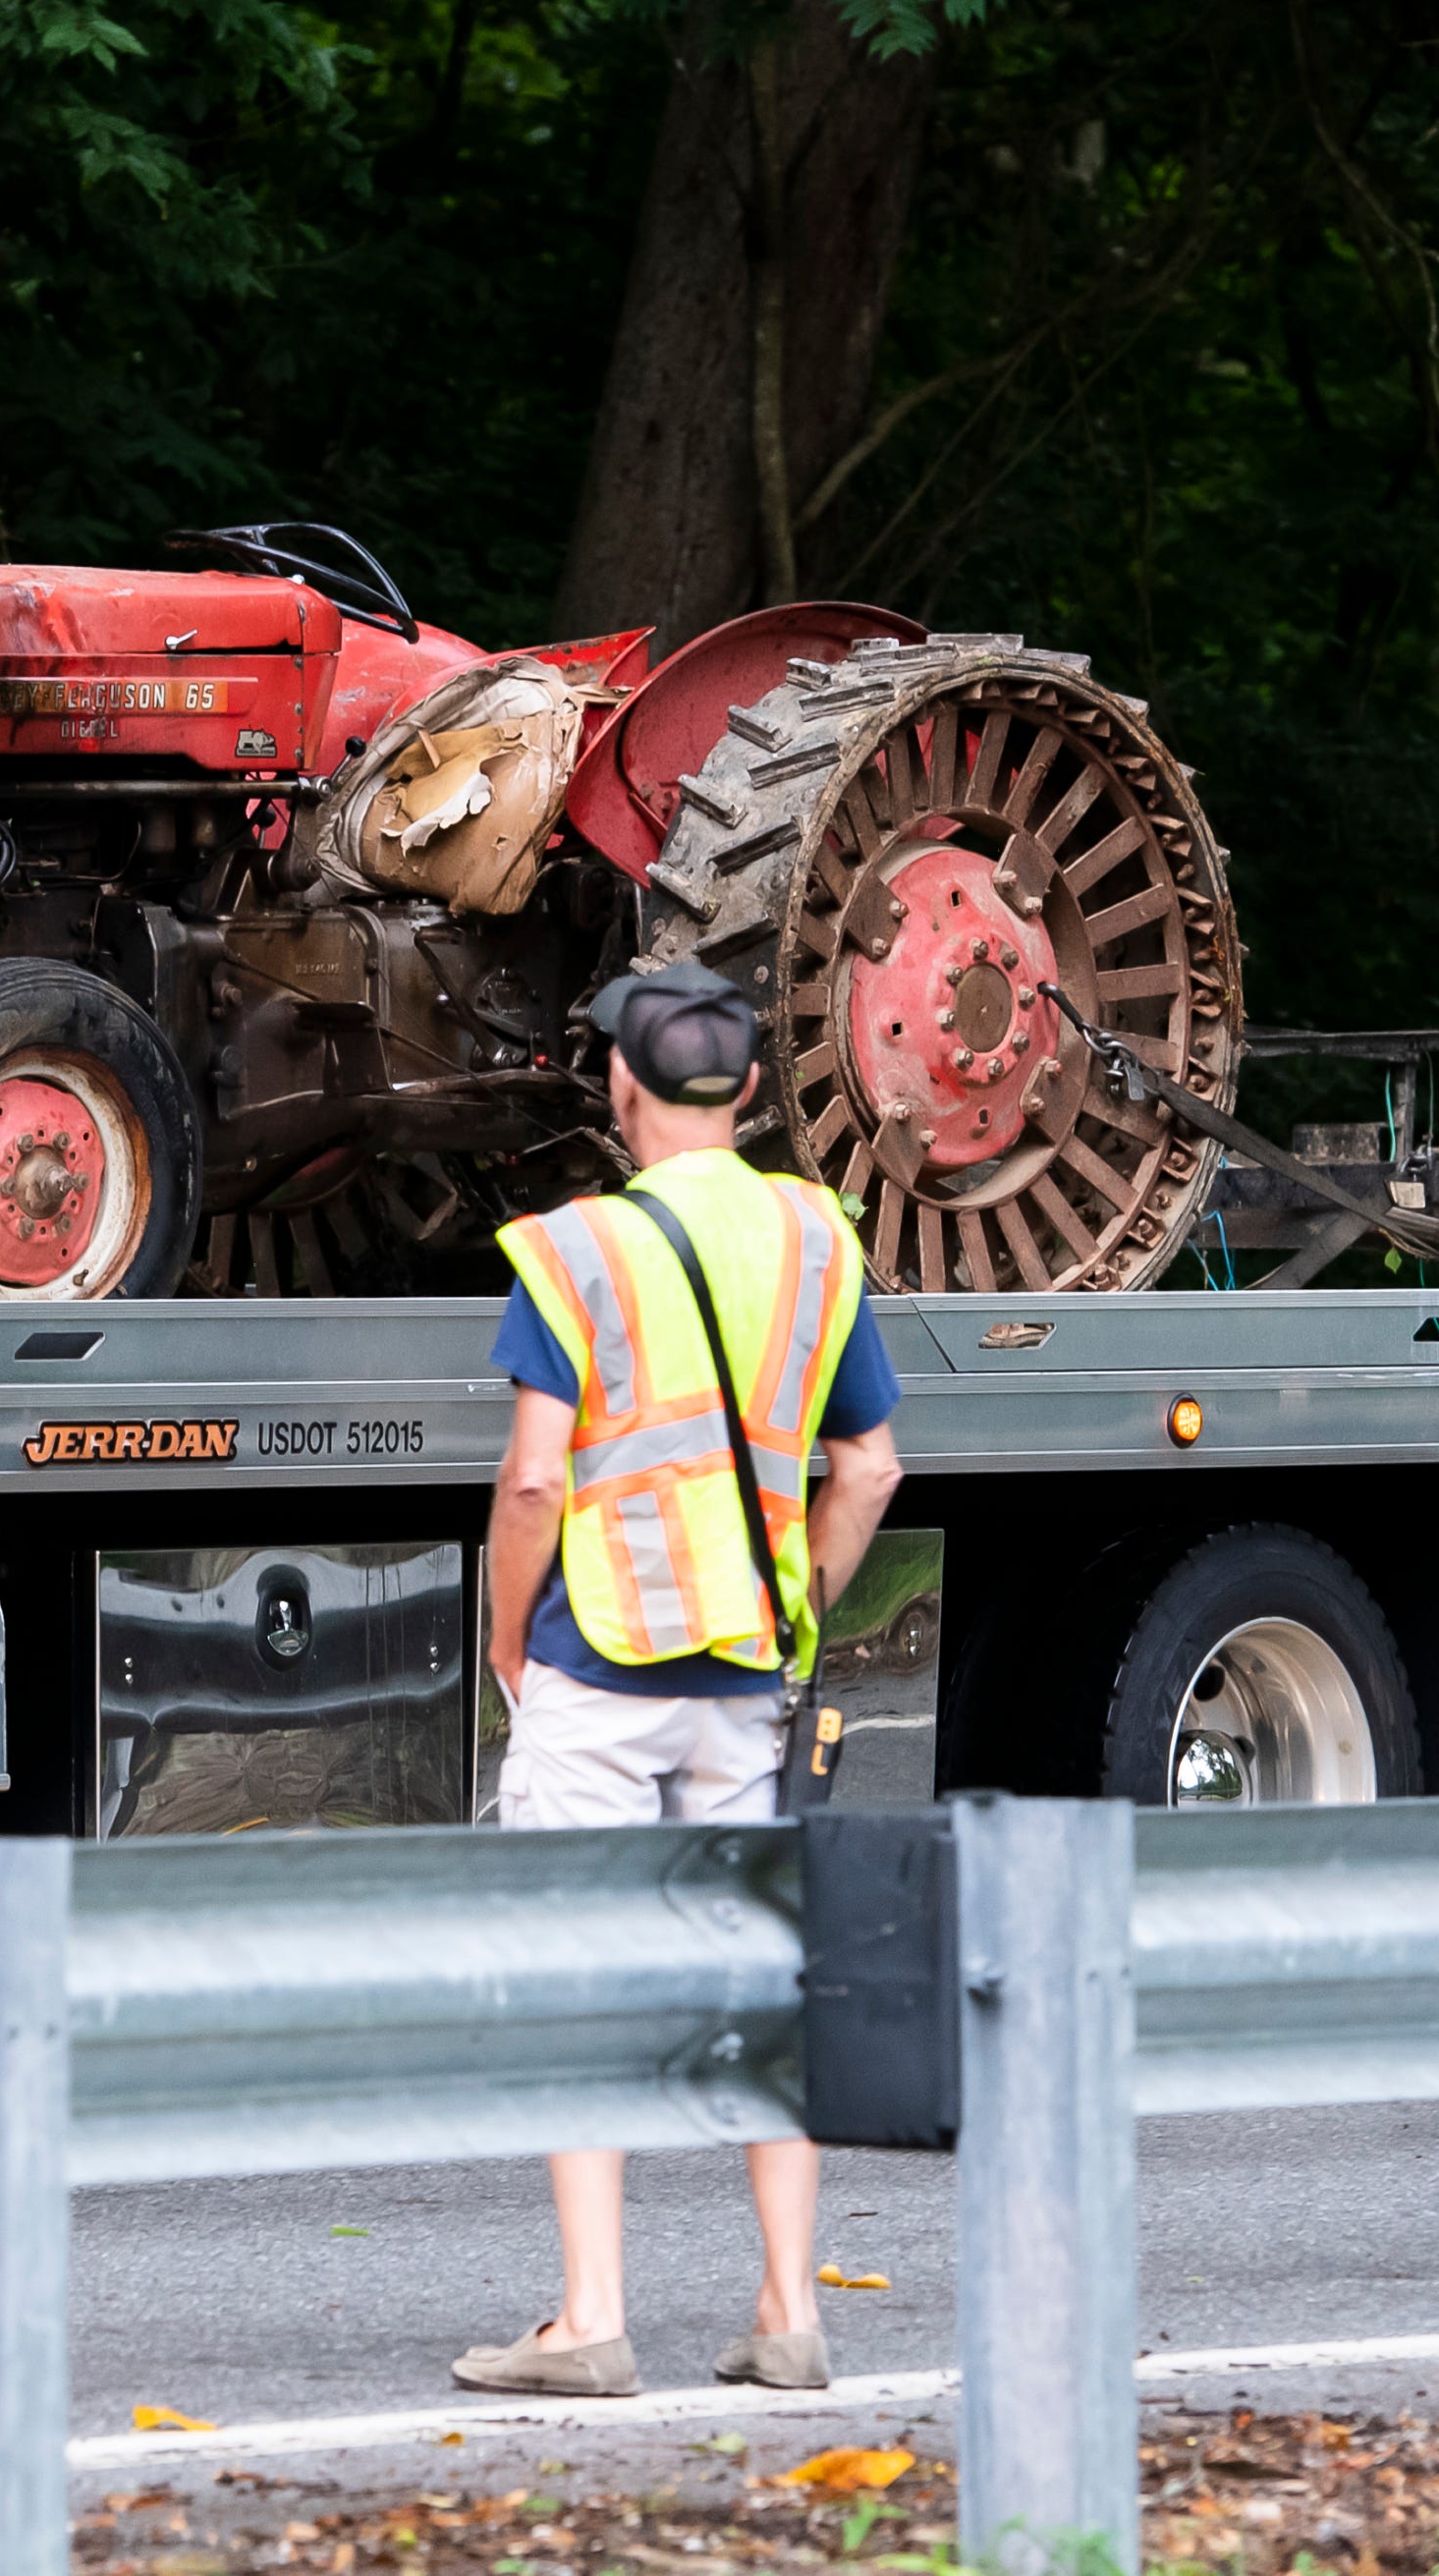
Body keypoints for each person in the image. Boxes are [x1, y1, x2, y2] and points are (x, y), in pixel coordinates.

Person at [457, 958, 907, 2400]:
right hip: (743, 1674)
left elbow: (534, 1481)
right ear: (754, 1096)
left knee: (580, 1973)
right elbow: (870, 1466)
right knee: (763, 1972)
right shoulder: (812, 1238)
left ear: (618, 1089)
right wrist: (795, 1598)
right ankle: (787, 2310)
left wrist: (502, 1630)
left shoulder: (580, 1251)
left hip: (599, 1658)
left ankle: (590, 2320)